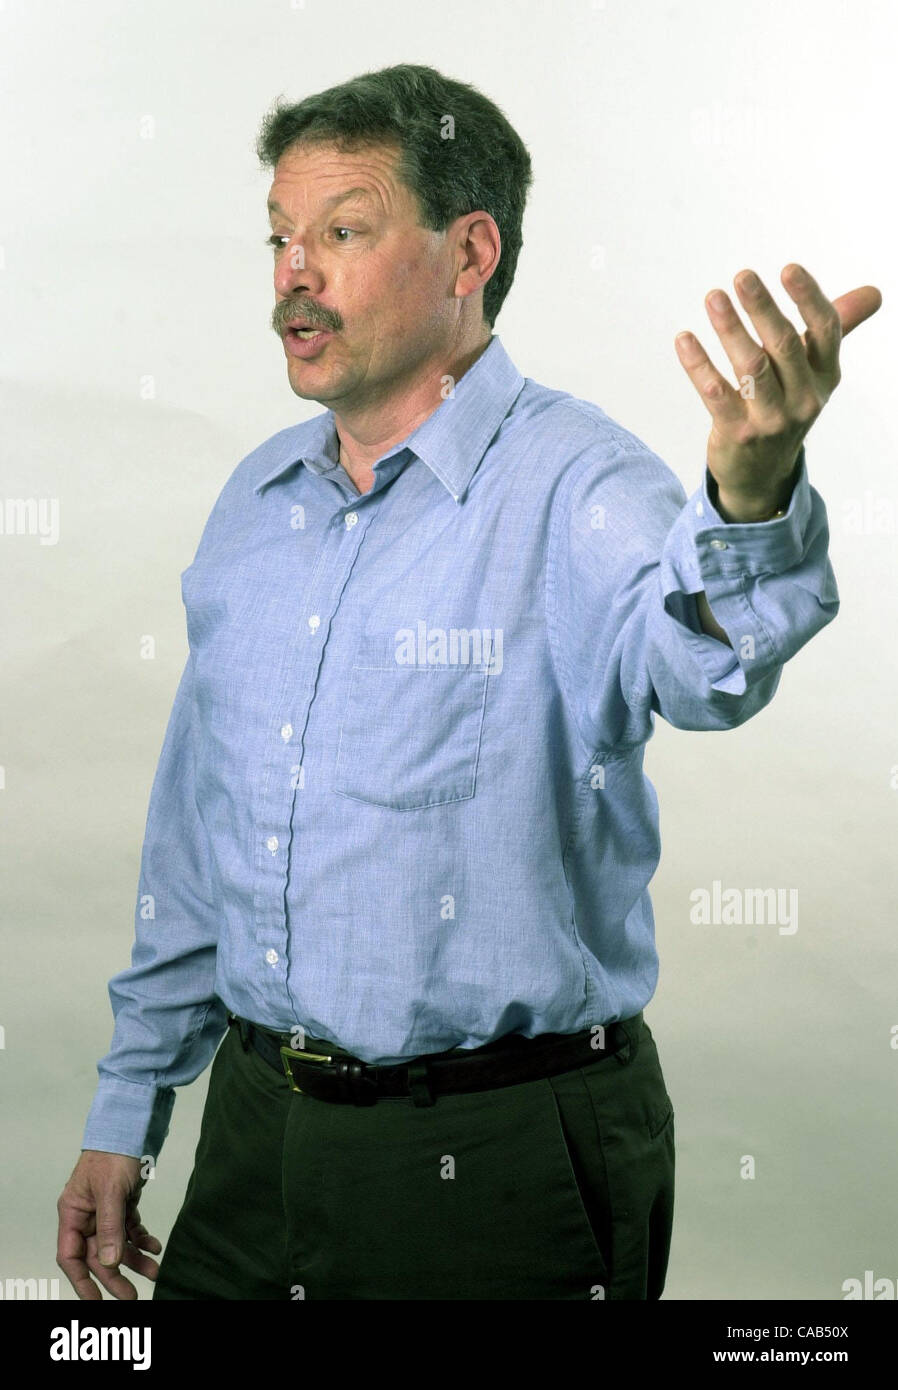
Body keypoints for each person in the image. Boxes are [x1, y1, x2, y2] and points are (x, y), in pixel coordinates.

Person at [56, 63, 880, 1301]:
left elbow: (704, 667)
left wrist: (749, 498)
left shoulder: (581, 487)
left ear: (468, 251)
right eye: (280, 238)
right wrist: (130, 1101)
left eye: (339, 232)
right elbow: (198, 836)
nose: (293, 272)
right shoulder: (254, 508)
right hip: (253, 1136)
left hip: (494, 1161)